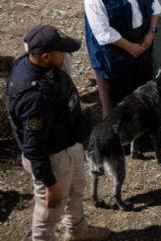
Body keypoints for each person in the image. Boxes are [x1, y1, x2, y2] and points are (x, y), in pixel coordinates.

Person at [6, 25, 111, 241]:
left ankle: (78, 231)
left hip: (67, 142)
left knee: (76, 192)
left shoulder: (39, 65)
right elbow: (34, 147)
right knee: (49, 210)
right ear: (45, 56)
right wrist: (50, 184)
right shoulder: (35, 97)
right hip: (52, 157)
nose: (65, 55)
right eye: (60, 51)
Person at [84, 0, 160, 118]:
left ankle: (141, 138)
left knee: (142, 95)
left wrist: (151, 33)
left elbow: (154, 2)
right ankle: (118, 145)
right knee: (116, 106)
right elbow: (102, 32)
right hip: (113, 52)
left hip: (142, 42)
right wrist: (131, 47)